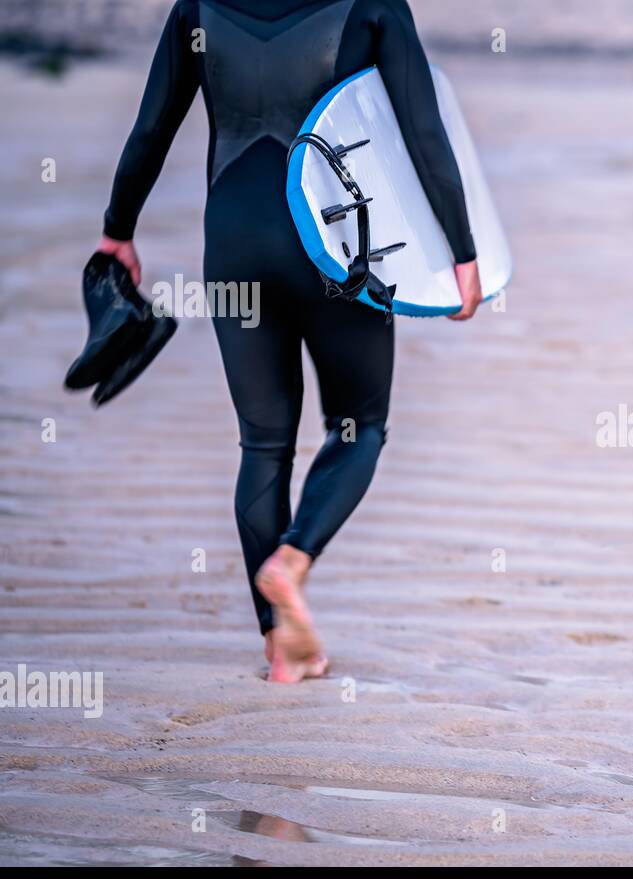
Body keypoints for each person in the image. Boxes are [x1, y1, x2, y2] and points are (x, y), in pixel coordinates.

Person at [97, 0, 481, 682]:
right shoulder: (375, 5)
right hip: (334, 247)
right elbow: (424, 132)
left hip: (234, 242)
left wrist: (117, 232)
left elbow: (150, 129)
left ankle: (279, 645)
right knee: (359, 425)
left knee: (263, 443)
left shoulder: (198, 5)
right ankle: (292, 560)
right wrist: (464, 253)